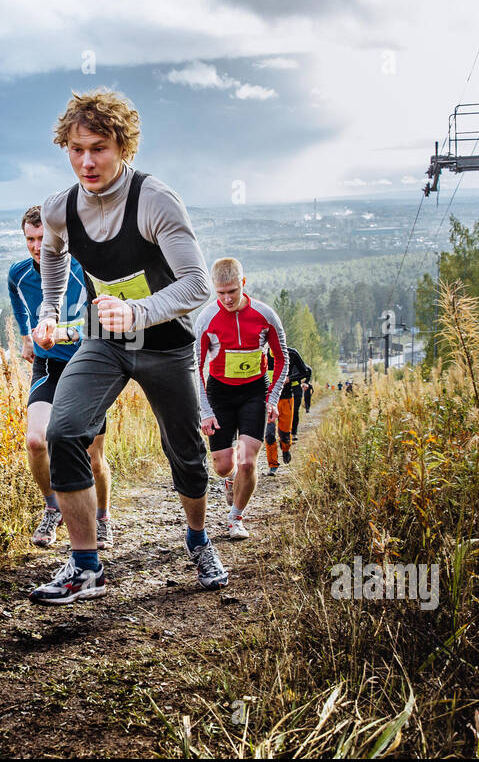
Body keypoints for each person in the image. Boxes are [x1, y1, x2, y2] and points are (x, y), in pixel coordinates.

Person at [28, 88, 225, 604]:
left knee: (185, 451)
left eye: (99, 148)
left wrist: (138, 311)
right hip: (106, 341)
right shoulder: (61, 208)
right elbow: (52, 251)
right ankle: (85, 565)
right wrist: (50, 309)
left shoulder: (154, 200)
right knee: (64, 431)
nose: (87, 162)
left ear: (123, 147)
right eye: (76, 149)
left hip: (166, 345)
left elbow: (197, 284)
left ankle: (199, 540)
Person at [7, 206, 112, 550]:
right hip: (49, 367)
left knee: (92, 458)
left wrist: (60, 333)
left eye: (43, 239)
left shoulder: (84, 271)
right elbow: (19, 303)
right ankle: (52, 508)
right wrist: (27, 337)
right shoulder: (19, 274)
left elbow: (101, 324)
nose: (37, 247)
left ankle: (103, 517)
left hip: (89, 366)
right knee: (37, 441)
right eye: (30, 239)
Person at [193, 258, 288, 539]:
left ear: (243, 284)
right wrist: (205, 411)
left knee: (248, 460)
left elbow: (281, 359)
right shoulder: (206, 319)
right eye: (220, 293)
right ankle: (231, 479)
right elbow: (196, 367)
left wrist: (272, 399)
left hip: (254, 392)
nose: (226, 299)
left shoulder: (265, 315)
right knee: (224, 467)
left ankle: (236, 517)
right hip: (220, 393)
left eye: (232, 291)